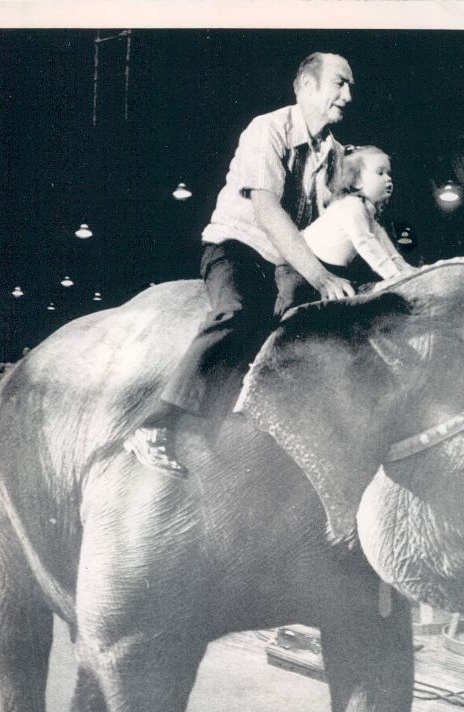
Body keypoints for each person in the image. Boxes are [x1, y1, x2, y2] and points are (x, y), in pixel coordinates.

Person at [125, 52, 356, 477]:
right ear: (305, 86)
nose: (348, 95)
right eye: (339, 83)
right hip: (237, 247)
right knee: (239, 311)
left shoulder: (337, 151)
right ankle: (155, 425)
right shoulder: (266, 130)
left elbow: (335, 220)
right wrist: (321, 276)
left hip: (287, 258)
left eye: (351, 87)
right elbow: (267, 212)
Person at [272, 144, 414, 316]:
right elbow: (366, 244)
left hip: (331, 270)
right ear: (357, 181)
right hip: (298, 266)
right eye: (380, 173)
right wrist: (394, 278)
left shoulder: (367, 212)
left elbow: (383, 243)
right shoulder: (351, 206)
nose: (388, 178)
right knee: (293, 310)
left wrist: (404, 268)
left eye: (389, 173)